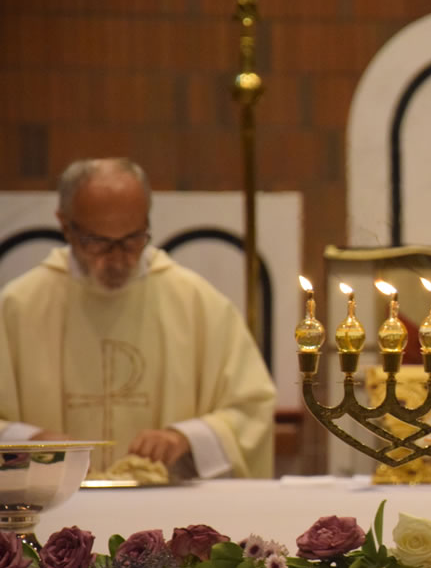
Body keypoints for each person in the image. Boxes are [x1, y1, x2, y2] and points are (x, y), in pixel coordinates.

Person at [0, 158, 276, 478]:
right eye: (99, 242)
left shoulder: (197, 303)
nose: (118, 259)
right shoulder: (18, 306)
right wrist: (31, 441)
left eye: (132, 239)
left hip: (167, 510)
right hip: (56, 507)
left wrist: (185, 437)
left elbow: (252, 409)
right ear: (65, 225)